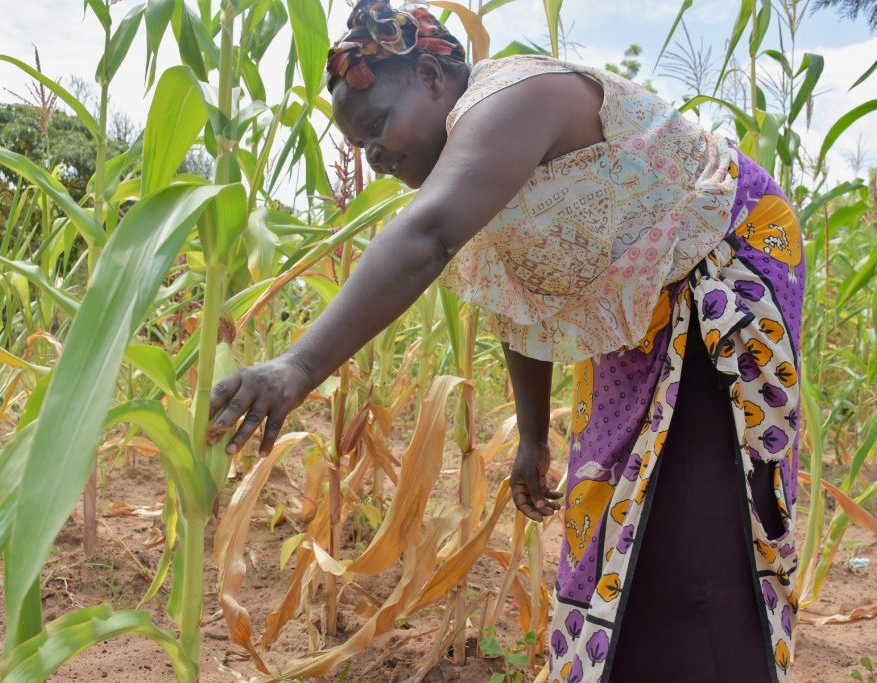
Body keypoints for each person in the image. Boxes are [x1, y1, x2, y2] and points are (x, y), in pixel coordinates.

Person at [207, 1, 804, 681]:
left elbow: (425, 238)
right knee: (607, 500)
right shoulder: (478, 178)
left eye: (378, 128)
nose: (376, 160)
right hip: (638, 308)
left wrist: (298, 364)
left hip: (722, 269)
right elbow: (523, 305)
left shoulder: (510, 100)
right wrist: (531, 438)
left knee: (698, 503)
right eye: (363, 149)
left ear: (433, 75)